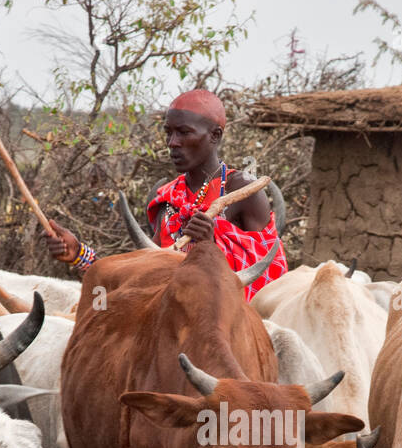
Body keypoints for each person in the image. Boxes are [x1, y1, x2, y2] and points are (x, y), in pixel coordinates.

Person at [43, 89, 287, 299]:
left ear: (215, 135)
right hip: (165, 323)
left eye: (183, 132)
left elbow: (270, 281)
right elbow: (147, 273)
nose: (172, 142)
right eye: (168, 132)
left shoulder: (244, 191)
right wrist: (79, 255)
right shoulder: (164, 199)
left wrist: (210, 248)